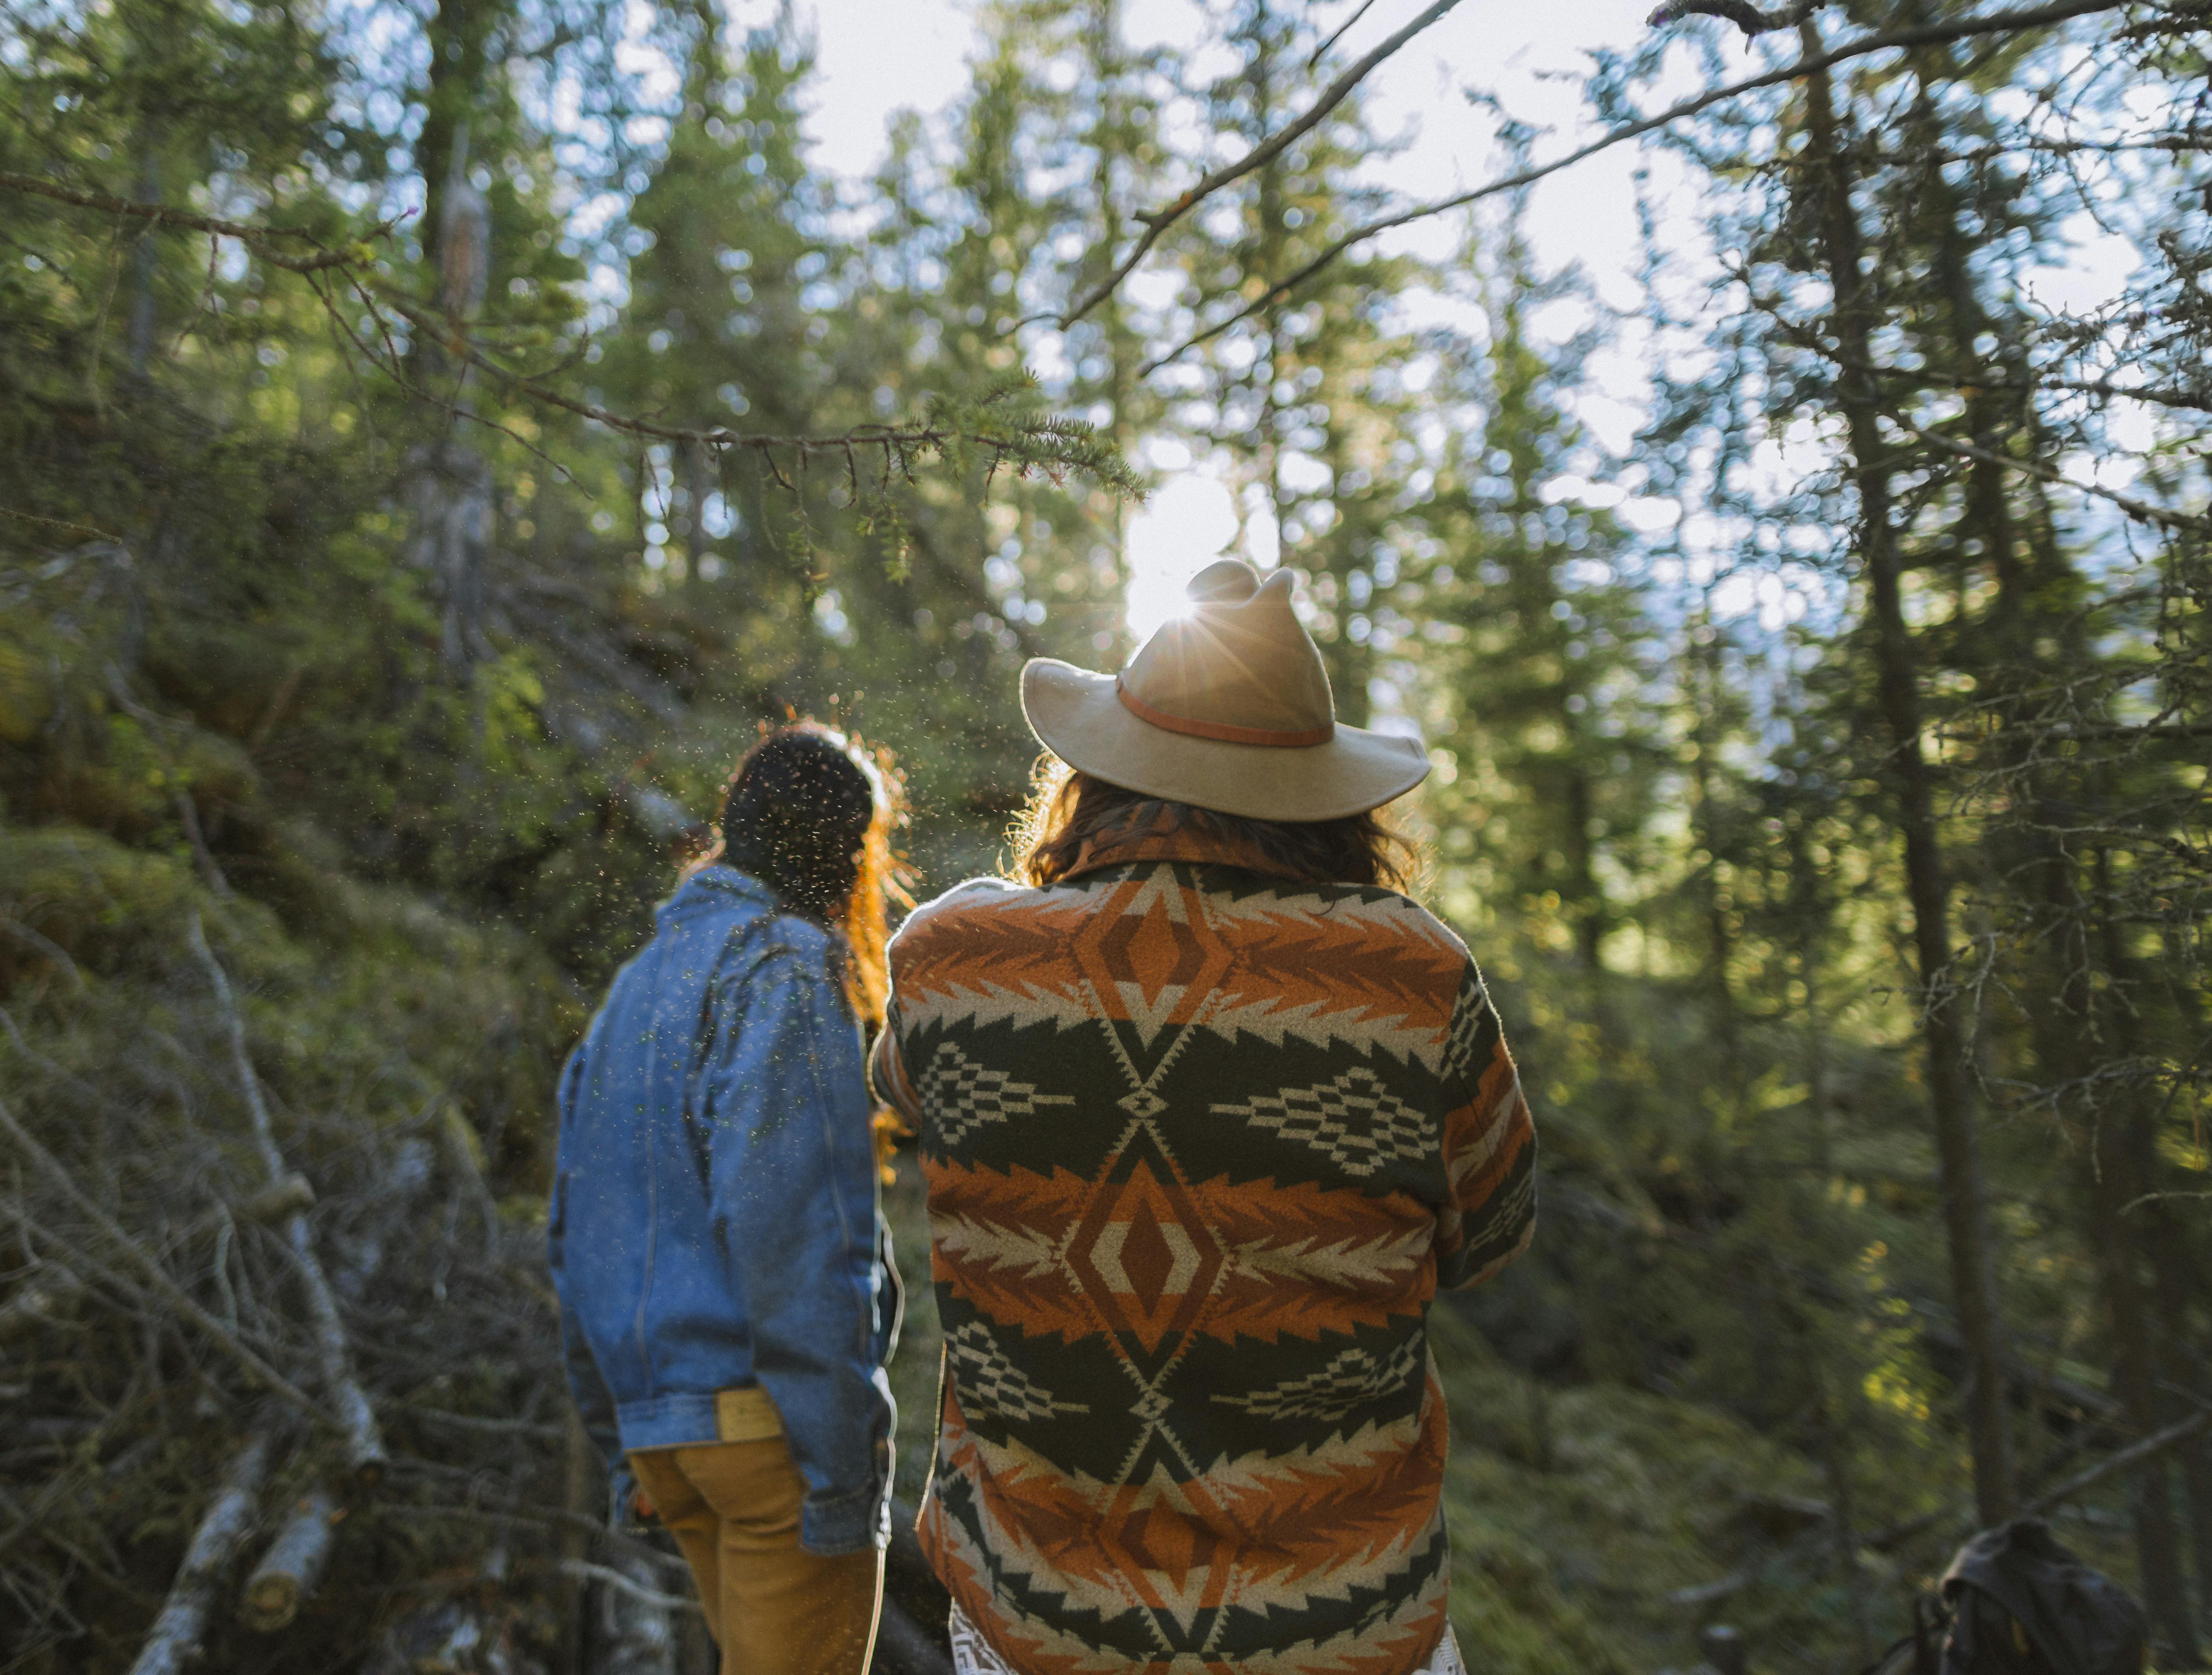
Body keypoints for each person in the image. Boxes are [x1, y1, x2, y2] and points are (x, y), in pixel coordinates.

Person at [872, 560, 1537, 1675]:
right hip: (1339, 1621)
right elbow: (1491, 1231)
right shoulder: (1415, 978)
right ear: (1327, 801)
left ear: (1097, 772)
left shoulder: (957, 959)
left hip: (1042, 1628)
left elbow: (903, 1084)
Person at [550, 724, 907, 1675]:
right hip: (766, 1438)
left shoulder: (635, 988)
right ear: (846, 849)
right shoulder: (786, 963)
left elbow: (574, 1233)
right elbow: (792, 1230)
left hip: (667, 1437)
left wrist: (623, 1439)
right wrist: (844, 1465)